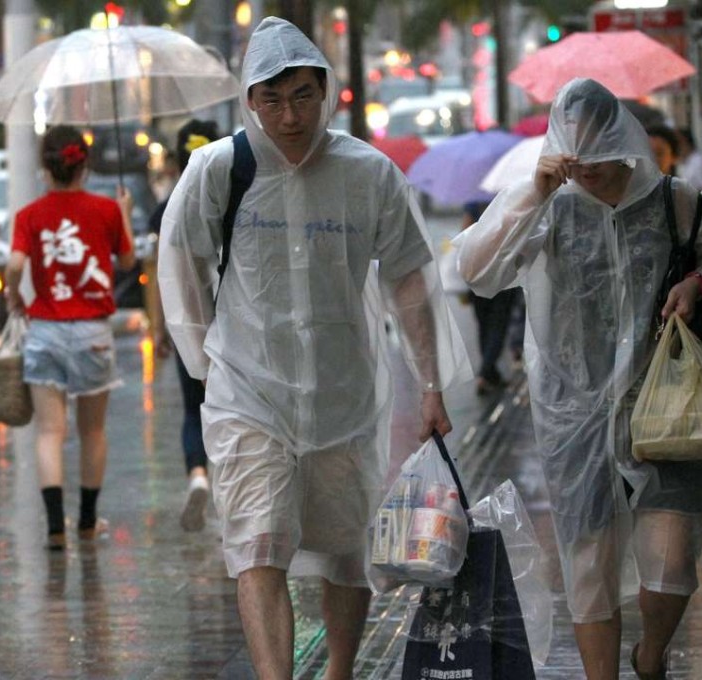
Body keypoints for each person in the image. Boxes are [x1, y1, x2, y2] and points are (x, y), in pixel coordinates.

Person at [158, 17, 470, 680]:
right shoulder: (216, 171)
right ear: (248, 101)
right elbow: (179, 262)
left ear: (325, 90)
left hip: (344, 400)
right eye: (270, 100)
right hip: (250, 395)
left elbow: (410, 275)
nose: (289, 115)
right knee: (257, 546)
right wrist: (206, 363)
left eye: (302, 95)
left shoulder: (366, 173)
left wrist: (432, 383)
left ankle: (339, 672)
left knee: (343, 552)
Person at [454, 78, 702, 679]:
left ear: (622, 139)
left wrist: (694, 284)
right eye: (570, 149)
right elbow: (476, 269)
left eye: (595, 148)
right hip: (573, 418)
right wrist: (534, 191)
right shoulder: (546, 208)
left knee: (672, 564)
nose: (583, 163)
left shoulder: (678, 202)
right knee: (587, 570)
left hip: (666, 405)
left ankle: (651, 654)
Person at [5, 124, 136, 551]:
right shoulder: (105, 209)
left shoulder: (29, 216)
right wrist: (125, 213)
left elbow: (15, 264)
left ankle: (54, 527)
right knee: (93, 431)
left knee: (49, 432)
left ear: (46, 167)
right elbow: (129, 259)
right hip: (92, 332)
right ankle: (85, 521)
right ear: (84, 165)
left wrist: (16, 297)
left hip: (45, 331)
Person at [148, 118, 221, 532]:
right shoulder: (231, 200)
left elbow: (160, 279)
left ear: (176, 161)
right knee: (233, 409)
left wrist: (158, 330)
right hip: (232, 324)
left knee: (193, 408)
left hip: (185, 325)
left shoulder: (166, 211)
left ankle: (197, 475)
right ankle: (232, 489)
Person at [460, 200, 517, 393]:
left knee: (484, 325)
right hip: (503, 273)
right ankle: (485, 373)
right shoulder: (509, 200)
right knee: (497, 325)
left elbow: (465, 235)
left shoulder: (473, 202)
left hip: (477, 272)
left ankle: (489, 370)